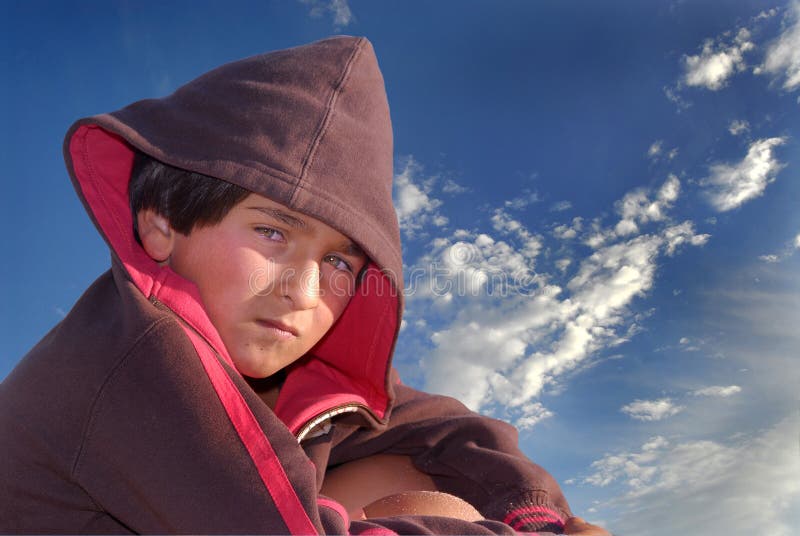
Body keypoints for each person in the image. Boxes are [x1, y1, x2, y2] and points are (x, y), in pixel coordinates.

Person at [0, 36, 608, 535]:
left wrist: (535, 512)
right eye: (271, 232)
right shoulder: (138, 362)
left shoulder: (278, 359)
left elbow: (450, 427)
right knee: (430, 507)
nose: (305, 289)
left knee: (406, 469)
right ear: (161, 224)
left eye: (340, 263)